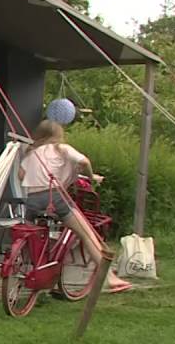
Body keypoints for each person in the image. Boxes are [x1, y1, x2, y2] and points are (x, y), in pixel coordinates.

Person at [18, 120, 132, 292]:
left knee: (31, 236)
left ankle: (29, 267)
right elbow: (84, 162)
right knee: (86, 233)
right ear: (57, 135)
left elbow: (21, 176)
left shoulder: (30, 154)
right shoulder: (61, 148)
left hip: (32, 200)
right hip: (55, 197)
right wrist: (91, 177)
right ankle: (109, 278)